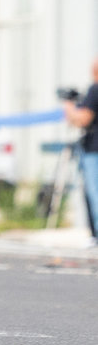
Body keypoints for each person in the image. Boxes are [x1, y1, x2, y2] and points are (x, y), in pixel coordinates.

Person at [63, 60, 98, 246]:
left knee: (95, 192)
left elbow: (83, 119)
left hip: (94, 149)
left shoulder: (95, 89)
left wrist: (69, 107)